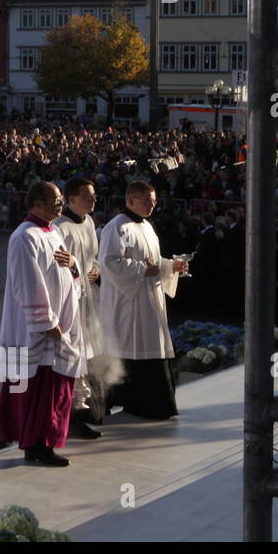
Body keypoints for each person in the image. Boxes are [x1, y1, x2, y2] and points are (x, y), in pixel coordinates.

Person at [0, 181, 84, 467]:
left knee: (55, 388)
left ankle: (48, 440)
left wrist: (74, 266)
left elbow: (66, 270)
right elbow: (26, 284)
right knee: (39, 390)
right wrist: (45, 321)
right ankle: (36, 446)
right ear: (37, 203)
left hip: (59, 323)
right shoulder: (23, 236)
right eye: (56, 199)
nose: (61, 203)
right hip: (38, 330)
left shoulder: (53, 231)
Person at [98, 180, 186, 421]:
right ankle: (135, 403)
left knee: (151, 348)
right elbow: (108, 262)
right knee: (131, 350)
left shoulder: (147, 226)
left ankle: (155, 405)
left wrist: (172, 266)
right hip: (128, 302)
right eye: (146, 201)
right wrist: (140, 270)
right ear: (130, 200)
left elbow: (154, 262)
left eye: (154, 201)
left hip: (149, 299)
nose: (151, 206)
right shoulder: (116, 227)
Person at [53, 178, 106, 438]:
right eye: (87, 196)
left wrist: (95, 269)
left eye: (94, 195)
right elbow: (59, 266)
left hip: (88, 297)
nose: (93, 200)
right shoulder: (59, 227)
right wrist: (79, 272)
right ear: (70, 199)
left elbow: (91, 257)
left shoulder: (89, 222)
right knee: (75, 354)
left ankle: (90, 409)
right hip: (71, 300)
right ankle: (74, 414)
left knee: (89, 352)